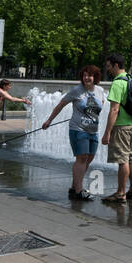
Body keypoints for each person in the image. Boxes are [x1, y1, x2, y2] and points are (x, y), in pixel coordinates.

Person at [43, 65, 106, 200]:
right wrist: (49, 120)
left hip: (93, 131)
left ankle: (73, 187)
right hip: (78, 130)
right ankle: (79, 190)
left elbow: (100, 106)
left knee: (89, 159)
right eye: (84, 75)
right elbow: (60, 105)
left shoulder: (100, 91)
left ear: (95, 77)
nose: (86, 78)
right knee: (82, 158)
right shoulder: (77, 91)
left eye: (89, 75)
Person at [101, 53, 132, 203]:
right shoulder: (131, 79)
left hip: (122, 126)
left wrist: (107, 133)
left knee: (122, 160)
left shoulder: (117, 83)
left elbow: (114, 110)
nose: (108, 69)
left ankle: (120, 193)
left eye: (109, 66)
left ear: (116, 65)